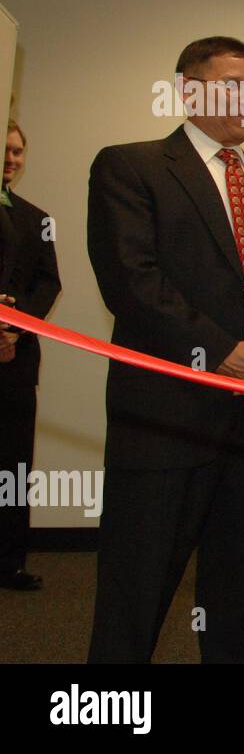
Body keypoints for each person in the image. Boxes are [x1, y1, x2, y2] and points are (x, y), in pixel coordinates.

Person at [86, 36, 244, 663]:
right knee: (137, 590)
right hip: (166, 418)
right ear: (188, 91)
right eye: (233, 85)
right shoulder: (130, 166)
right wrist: (219, 351)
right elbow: (131, 281)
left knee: (242, 591)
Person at [0, 120, 61, 591]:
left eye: (18, 151)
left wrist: (15, 327)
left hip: (15, 359)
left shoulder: (36, 217)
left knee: (13, 464)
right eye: (6, 150)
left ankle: (8, 562)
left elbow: (48, 282)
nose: (12, 159)